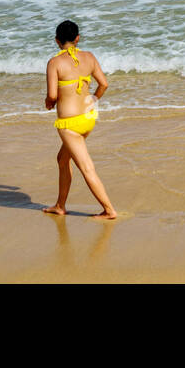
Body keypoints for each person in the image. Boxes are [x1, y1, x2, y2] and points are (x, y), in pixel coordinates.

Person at [41, 20, 117, 220]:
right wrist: (93, 98)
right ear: (77, 38)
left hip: (70, 125)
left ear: (57, 41)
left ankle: (109, 210)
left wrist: (49, 102)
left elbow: (52, 95)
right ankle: (60, 205)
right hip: (88, 118)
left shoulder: (54, 63)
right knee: (62, 159)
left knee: (86, 167)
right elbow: (104, 84)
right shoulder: (89, 57)